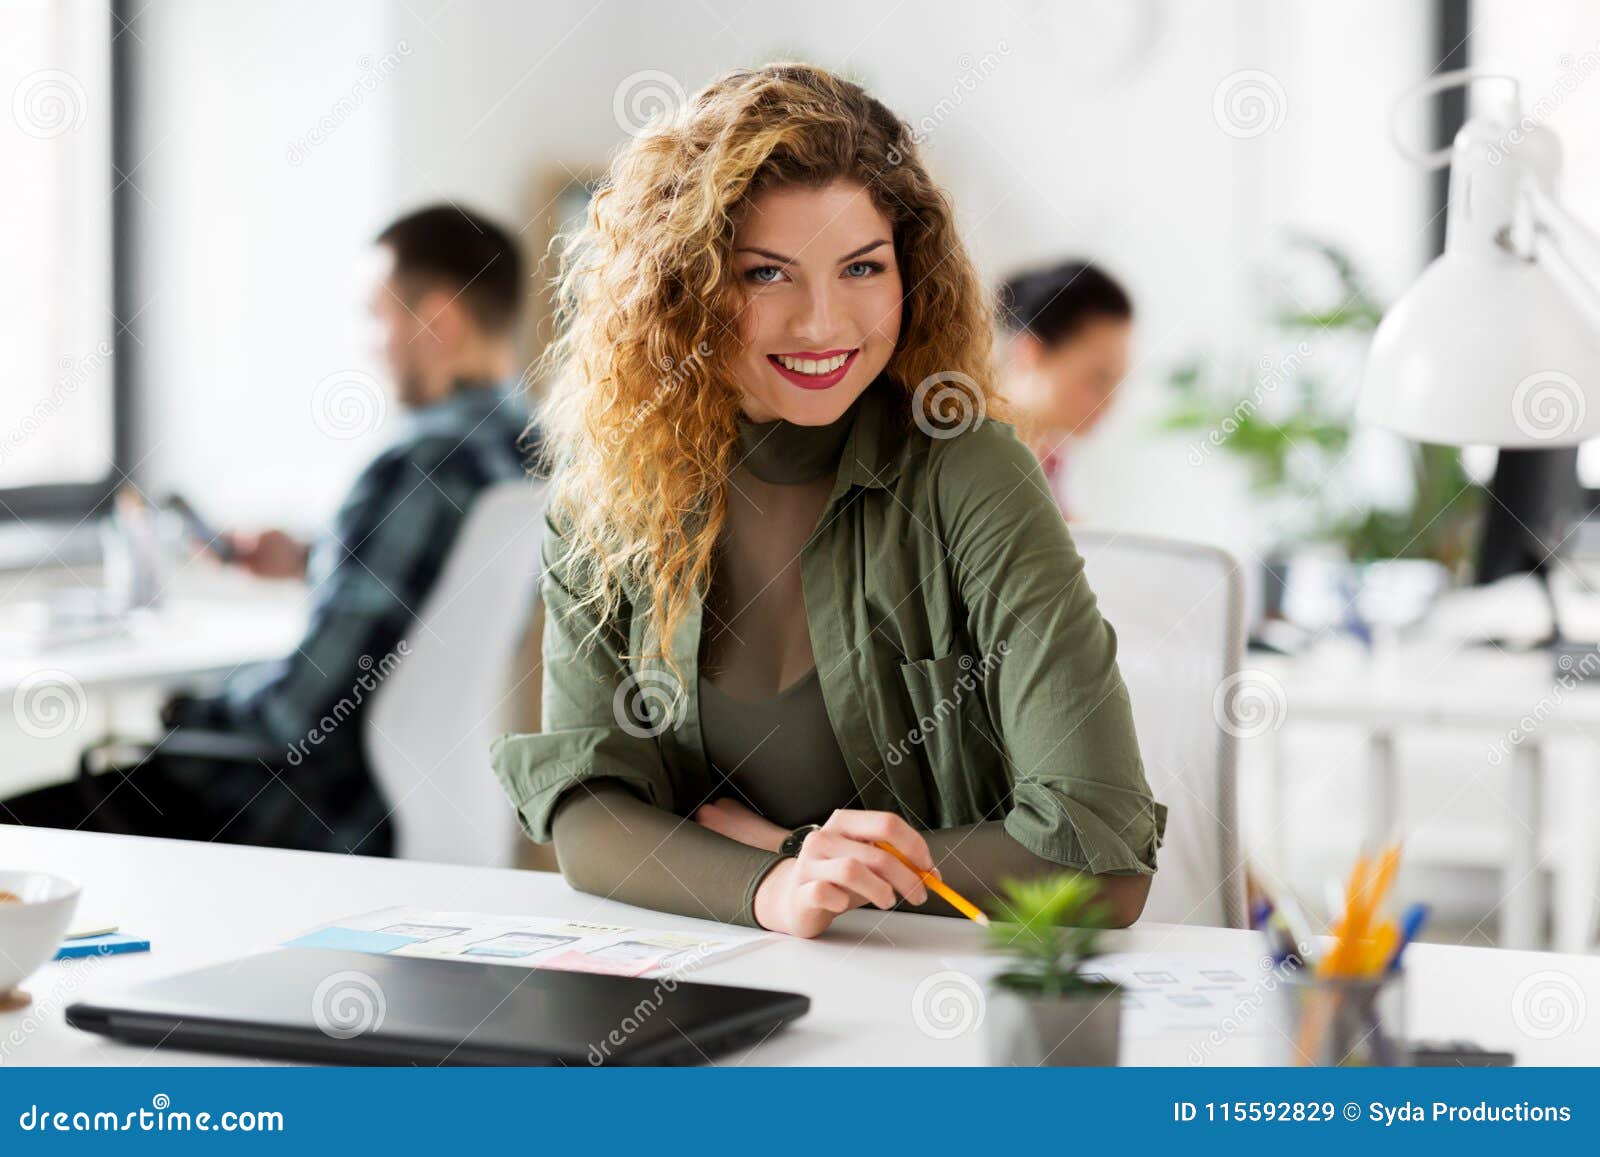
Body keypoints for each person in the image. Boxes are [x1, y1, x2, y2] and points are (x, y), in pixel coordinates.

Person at [491, 63, 1165, 939]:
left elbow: (1100, 863)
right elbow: (587, 817)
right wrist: (770, 888)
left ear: (909, 272)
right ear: (682, 287)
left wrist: (787, 851)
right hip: (713, 991)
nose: (823, 323)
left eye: (861, 267)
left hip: (945, 998)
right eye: (767, 274)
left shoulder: (973, 475)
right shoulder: (608, 491)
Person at [3, 204, 539, 855]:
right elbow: (424, 596)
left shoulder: (421, 462)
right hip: (420, 806)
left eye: (380, 315)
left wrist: (185, 709)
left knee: (23, 826)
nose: (372, 342)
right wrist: (312, 557)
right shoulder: (523, 448)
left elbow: (296, 711)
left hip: (306, 815)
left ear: (440, 320)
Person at [996, 261, 1134, 519]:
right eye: (1098, 379)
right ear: (1030, 352)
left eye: (1117, 381)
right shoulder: (978, 458)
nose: (1110, 401)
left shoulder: (1050, 460)